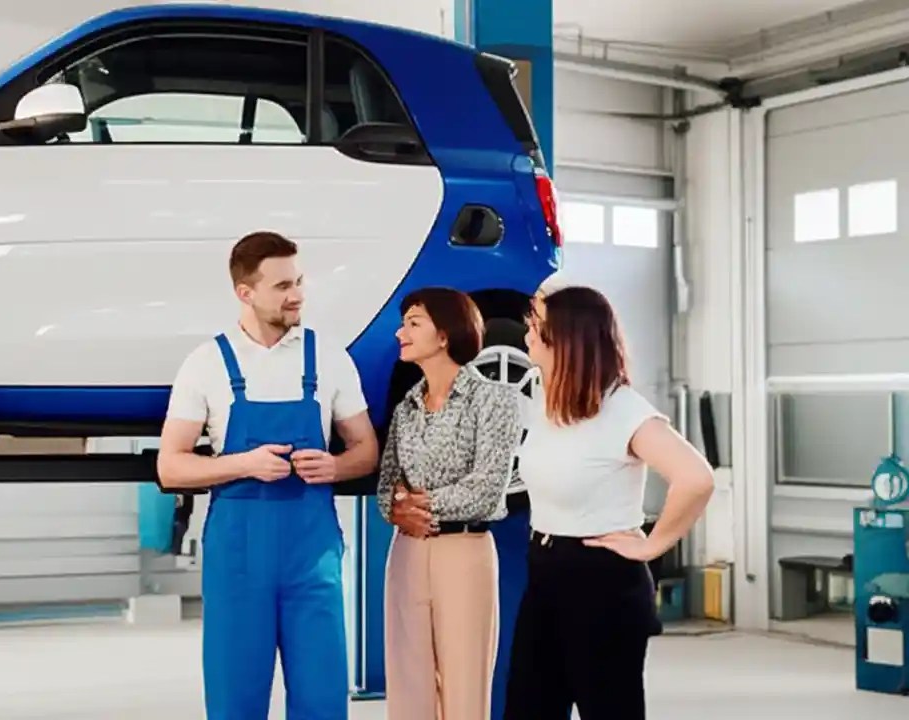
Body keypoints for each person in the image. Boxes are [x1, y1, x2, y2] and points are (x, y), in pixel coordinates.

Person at [156, 230, 379, 720]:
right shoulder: (206, 364)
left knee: (323, 703)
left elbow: (367, 449)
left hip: (312, 561)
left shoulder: (329, 359)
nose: (297, 294)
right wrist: (246, 464)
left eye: (298, 281)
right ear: (245, 292)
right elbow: (170, 467)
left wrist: (337, 465)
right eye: (281, 285)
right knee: (236, 704)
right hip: (238, 565)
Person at [503, 284, 715, 720]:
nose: (526, 334)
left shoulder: (624, 411)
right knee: (529, 707)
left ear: (565, 338)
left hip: (601, 580)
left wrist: (650, 546)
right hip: (544, 571)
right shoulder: (547, 401)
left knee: (608, 709)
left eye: (535, 327)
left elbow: (696, 478)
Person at [377, 287, 524, 720]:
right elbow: (386, 485)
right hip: (406, 553)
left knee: (464, 685)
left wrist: (416, 506)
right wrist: (395, 508)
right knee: (408, 683)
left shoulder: (495, 399)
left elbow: (488, 488)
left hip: (464, 551)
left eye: (413, 323)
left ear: (444, 335)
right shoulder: (406, 408)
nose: (400, 333)